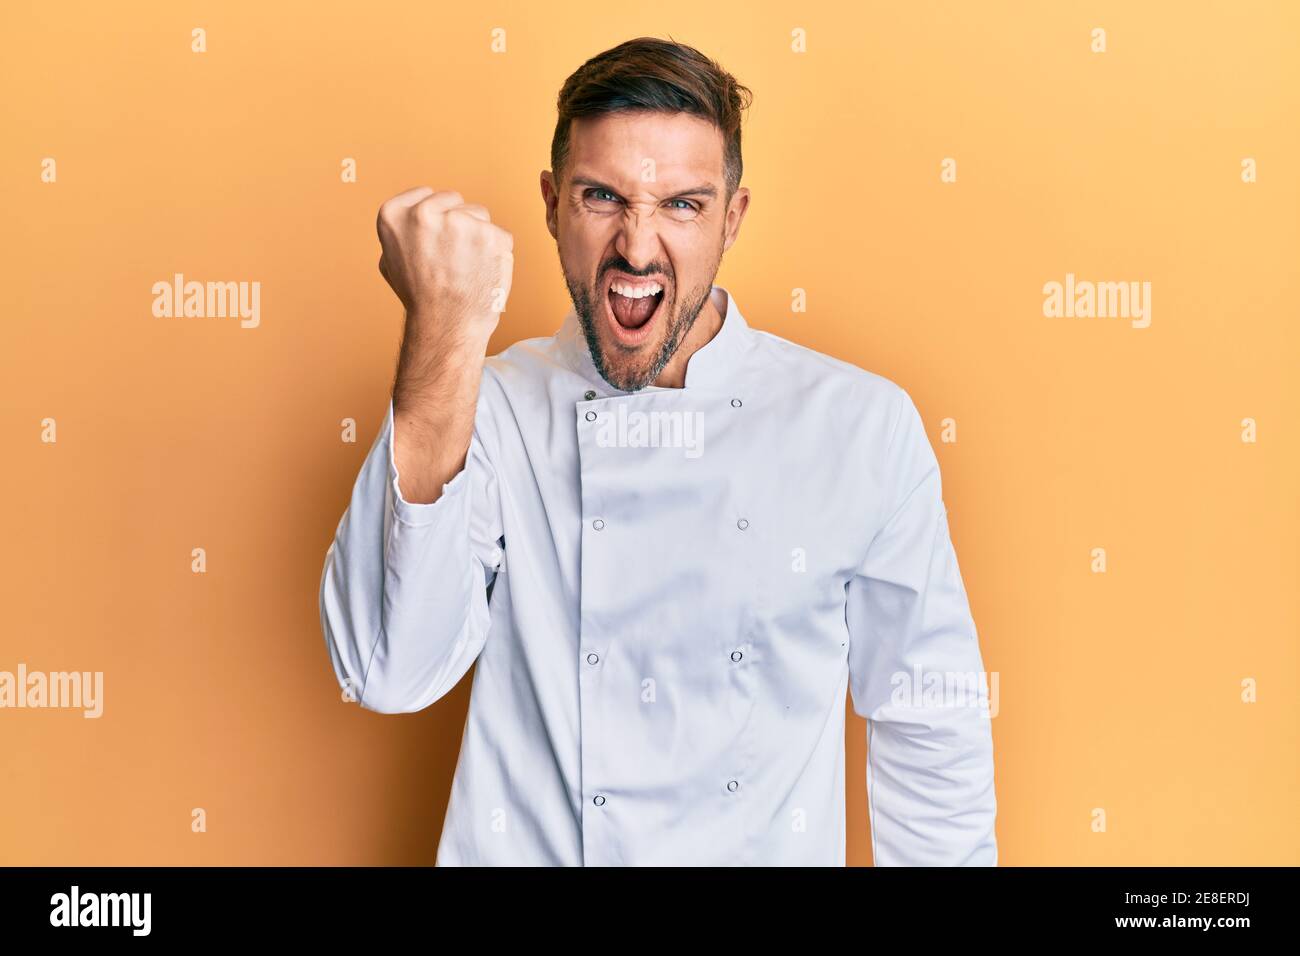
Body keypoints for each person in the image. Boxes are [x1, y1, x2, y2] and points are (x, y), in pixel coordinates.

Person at [319, 36, 997, 866]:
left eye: (683, 204)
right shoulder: (485, 404)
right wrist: (444, 330)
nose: (637, 249)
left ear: (733, 217)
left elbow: (930, 726)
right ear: (551, 203)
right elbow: (387, 670)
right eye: (602, 196)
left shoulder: (858, 426)